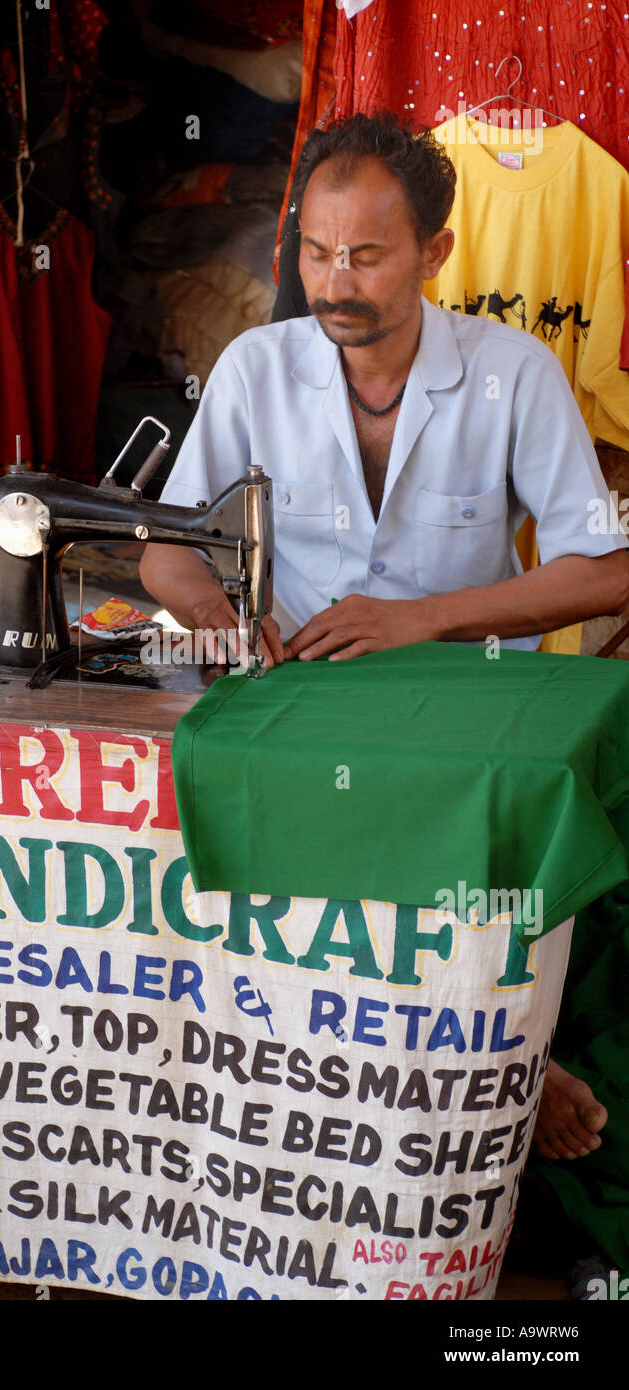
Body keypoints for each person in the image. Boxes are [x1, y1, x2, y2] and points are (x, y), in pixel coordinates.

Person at [139, 110, 629, 1279]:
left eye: (366, 255)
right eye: (315, 251)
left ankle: (508, 1054)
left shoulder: (512, 375)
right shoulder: (260, 368)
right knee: (209, 838)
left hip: (468, 705)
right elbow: (167, 549)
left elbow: (603, 568)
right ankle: (394, 1090)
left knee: (483, 852)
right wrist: (227, 621)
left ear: (437, 253)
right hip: (301, 694)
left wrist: (417, 619)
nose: (333, 281)